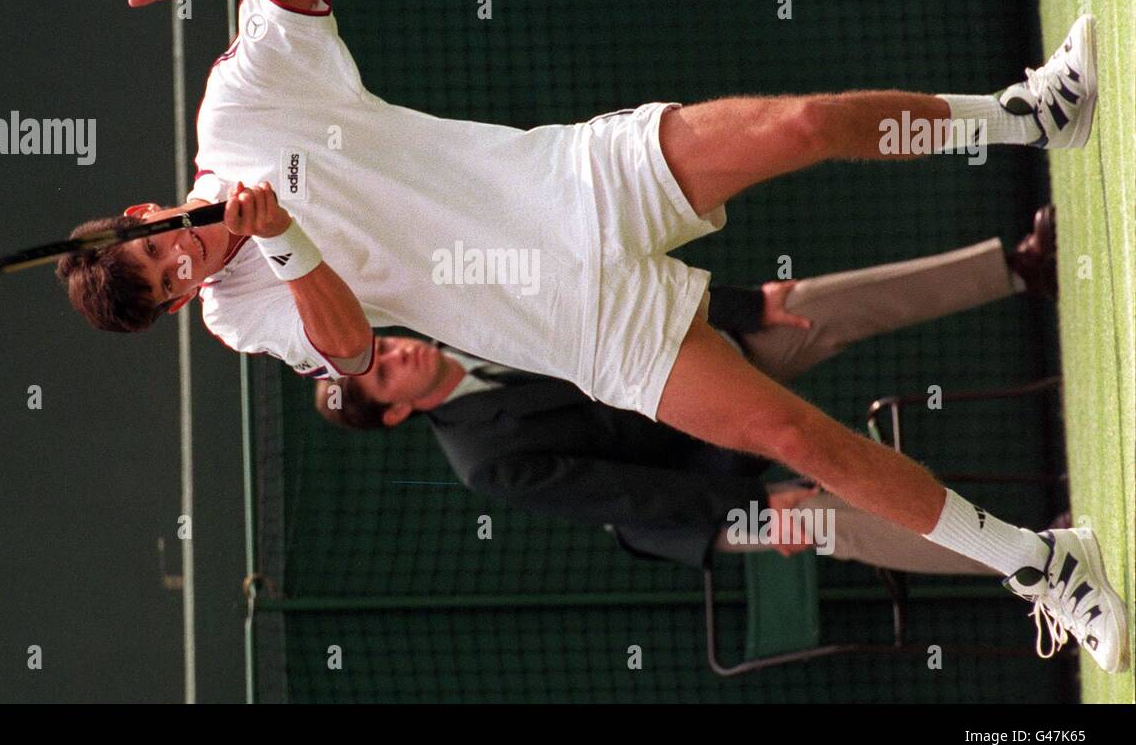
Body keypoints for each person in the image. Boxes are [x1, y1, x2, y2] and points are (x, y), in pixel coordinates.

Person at [57, 0, 1126, 672]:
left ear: (148, 210)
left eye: (159, 254)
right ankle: (1041, 565)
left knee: (802, 125)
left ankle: (1033, 111)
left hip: (573, 182)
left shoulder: (238, 108)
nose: (181, 269)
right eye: (165, 290)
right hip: (576, 326)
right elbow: (345, 346)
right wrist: (279, 237)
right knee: (808, 444)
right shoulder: (239, 311)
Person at [312, 216, 1060, 579]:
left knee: (798, 305)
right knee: (822, 525)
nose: (394, 354)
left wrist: (742, 309)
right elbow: (628, 495)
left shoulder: (474, 313)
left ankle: (1021, 268)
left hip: (684, 375)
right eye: (382, 376)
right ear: (399, 411)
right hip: (686, 500)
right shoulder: (484, 463)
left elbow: (609, 292)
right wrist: (760, 508)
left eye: (376, 348)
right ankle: (1031, 559)